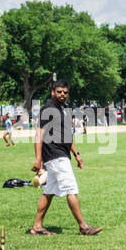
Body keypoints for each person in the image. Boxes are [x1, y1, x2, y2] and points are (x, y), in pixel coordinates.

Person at [29, 79, 102, 236]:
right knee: (71, 189)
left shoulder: (65, 109)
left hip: (62, 154)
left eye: (65, 92)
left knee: (49, 192)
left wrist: (77, 154)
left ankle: (37, 226)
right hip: (55, 155)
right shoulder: (48, 109)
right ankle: (83, 227)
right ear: (53, 92)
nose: (62, 94)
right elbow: (39, 134)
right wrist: (38, 159)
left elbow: (67, 136)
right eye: (59, 91)